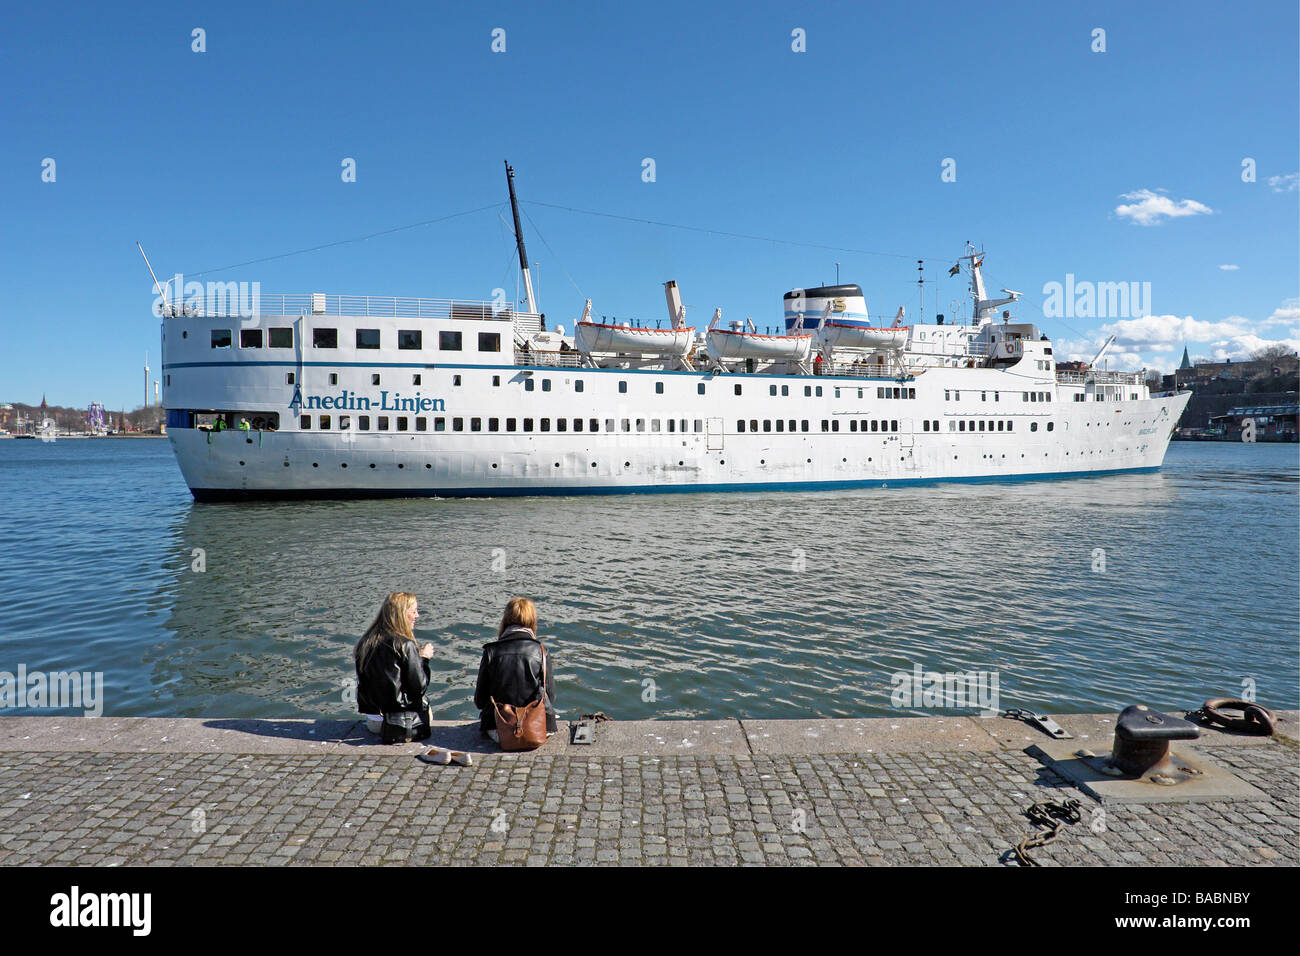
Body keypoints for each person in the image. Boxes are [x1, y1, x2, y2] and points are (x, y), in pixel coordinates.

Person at [354, 592, 434, 743]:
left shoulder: (365, 642)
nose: (417, 616)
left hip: (374, 722)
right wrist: (423, 659)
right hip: (401, 723)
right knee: (426, 707)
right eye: (414, 611)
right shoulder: (405, 645)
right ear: (403, 614)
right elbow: (419, 688)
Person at [474, 597, 556, 741]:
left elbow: (479, 701)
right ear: (532, 620)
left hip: (498, 729)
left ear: (505, 620)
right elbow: (550, 696)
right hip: (537, 728)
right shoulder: (541, 651)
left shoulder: (491, 651)